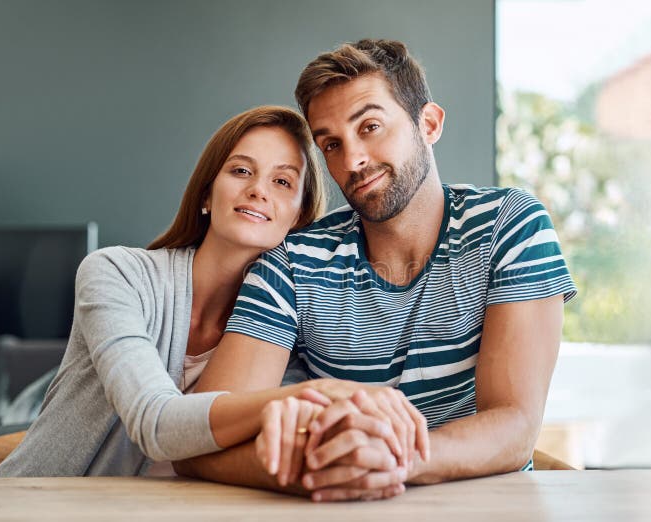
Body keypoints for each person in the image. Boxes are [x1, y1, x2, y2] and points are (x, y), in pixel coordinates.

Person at [177, 39, 577, 499]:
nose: (352, 160)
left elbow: (516, 423)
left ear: (428, 124)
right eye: (331, 144)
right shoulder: (290, 262)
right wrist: (323, 468)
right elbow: (196, 438)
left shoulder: (510, 226)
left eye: (370, 126)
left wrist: (393, 460)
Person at [0, 105, 399, 483]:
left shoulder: (285, 339)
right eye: (241, 171)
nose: (259, 190)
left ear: (299, 216)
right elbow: (156, 425)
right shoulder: (115, 273)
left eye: (282, 181)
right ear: (206, 194)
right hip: (33, 506)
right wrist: (314, 395)